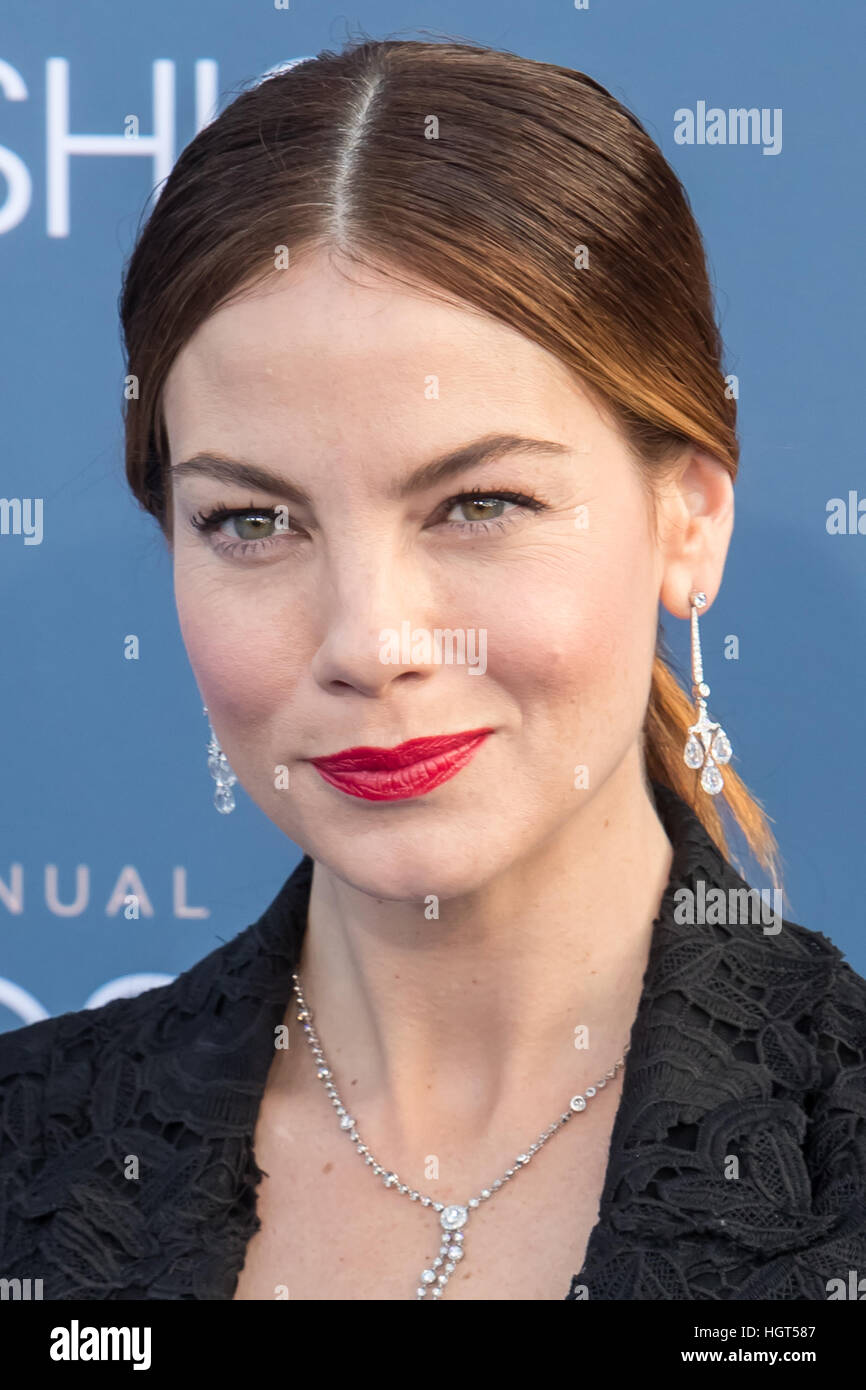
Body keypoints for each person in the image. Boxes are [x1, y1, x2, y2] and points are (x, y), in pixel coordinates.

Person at [1, 36, 864, 1302]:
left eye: (479, 503)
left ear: (688, 518)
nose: (370, 643)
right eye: (252, 521)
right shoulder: (30, 1155)